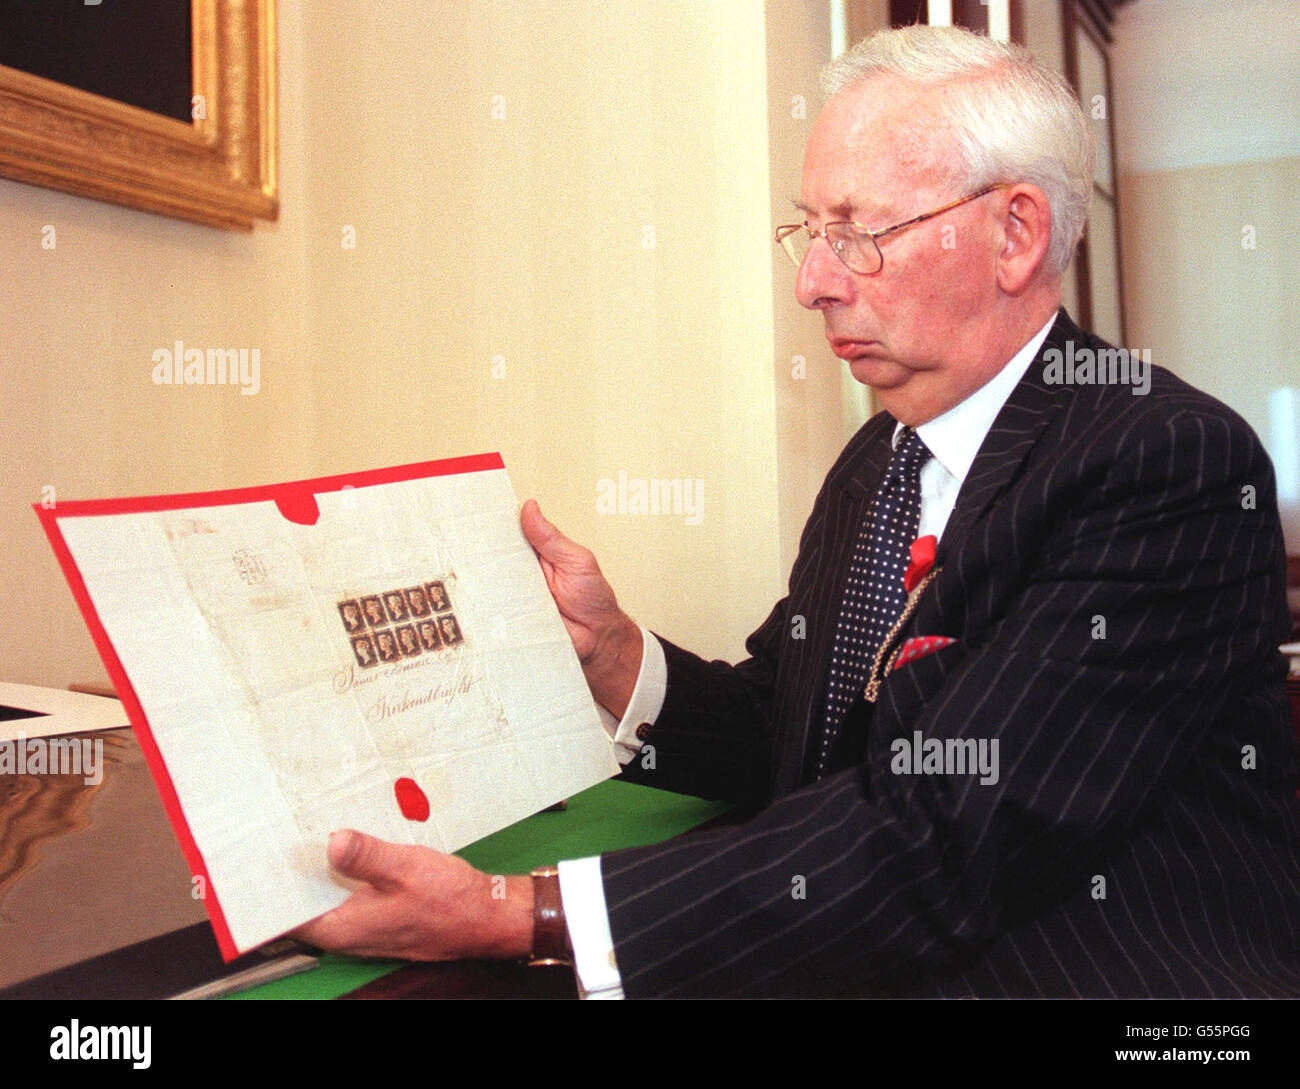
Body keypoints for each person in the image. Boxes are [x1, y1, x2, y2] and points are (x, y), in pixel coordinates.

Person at [294, 26, 1299, 997]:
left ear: (1014, 232)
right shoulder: (879, 458)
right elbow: (794, 730)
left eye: (857, 234)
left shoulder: (1162, 461)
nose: (813, 284)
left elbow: (952, 831)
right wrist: (611, 654)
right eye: (808, 234)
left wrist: (526, 914)